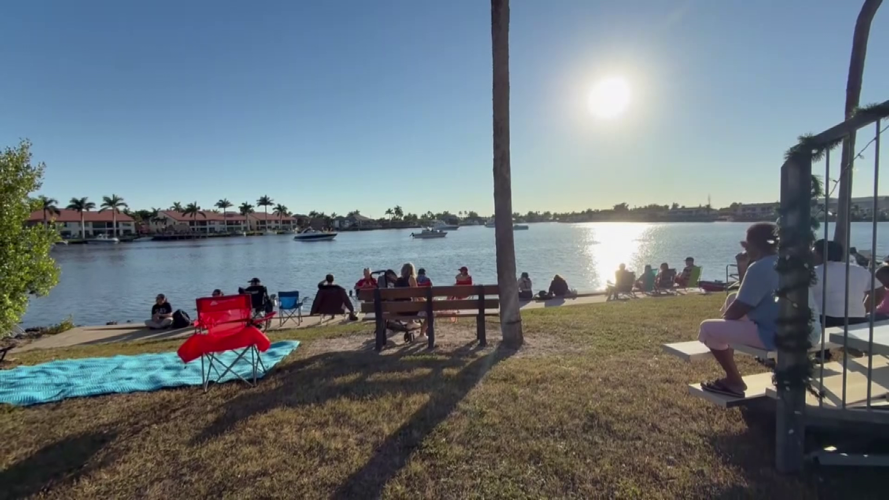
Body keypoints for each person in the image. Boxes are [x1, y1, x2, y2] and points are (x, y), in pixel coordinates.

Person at [698, 223, 822, 398]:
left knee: (707, 328)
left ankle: (734, 381)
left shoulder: (760, 267)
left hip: (782, 337)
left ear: (753, 245)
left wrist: (727, 321)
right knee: (732, 298)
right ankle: (730, 344)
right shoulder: (791, 263)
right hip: (810, 332)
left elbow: (735, 312)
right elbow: (746, 297)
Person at [811, 239, 879, 328]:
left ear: (817, 253)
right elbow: (879, 291)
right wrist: (865, 308)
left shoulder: (813, 272)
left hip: (823, 319)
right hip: (857, 319)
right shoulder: (860, 270)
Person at [395, 263, 426, 338]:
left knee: (410, 303)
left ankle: (411, 322)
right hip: (409, 310)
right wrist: (426, 300)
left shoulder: (397, 280)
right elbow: (418, 295)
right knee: (430, 311)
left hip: (398, 310)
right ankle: (422, 335)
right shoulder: (411, 278)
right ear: (412, 270)